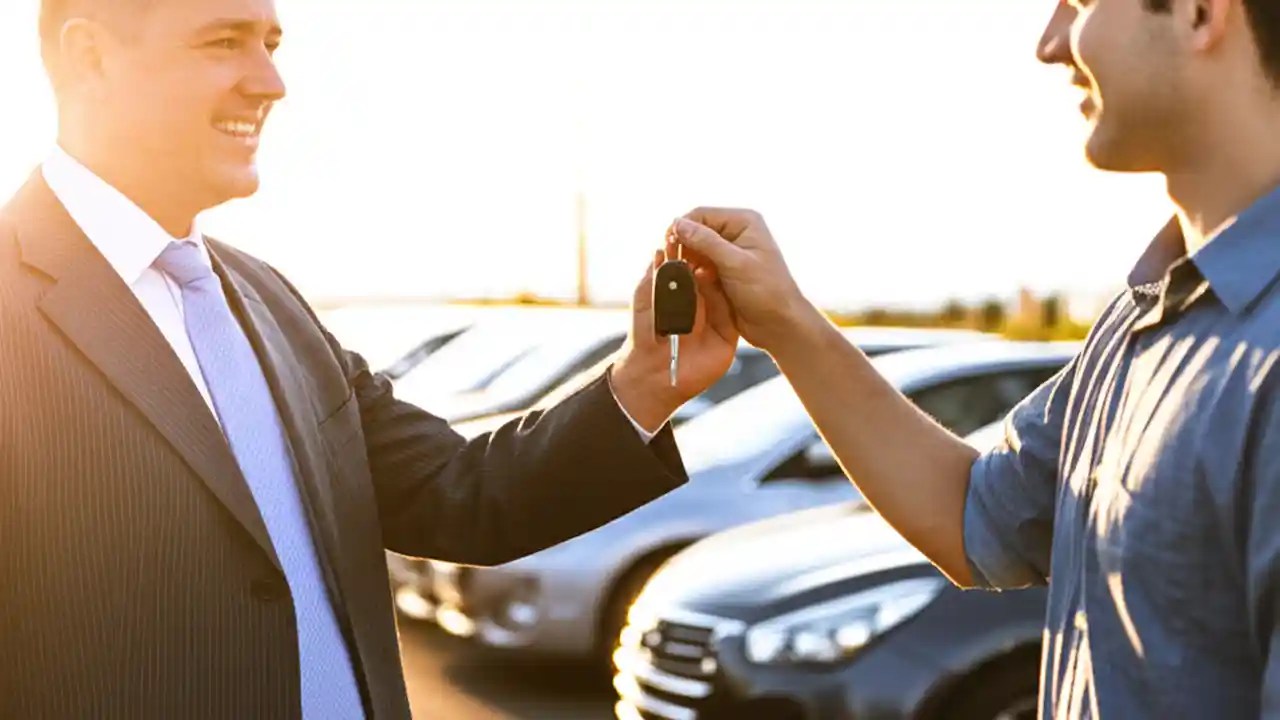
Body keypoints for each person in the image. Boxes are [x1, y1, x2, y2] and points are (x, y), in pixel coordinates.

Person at [0, 0, 739, 718]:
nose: (270, 82)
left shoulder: (269, 301)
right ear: (90, 56)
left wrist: (644, 380)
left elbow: (459, 493)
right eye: (224, 41)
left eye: (272, 44)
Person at [671, 0, 1280, 717]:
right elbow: (972, 513)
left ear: (1200, 12)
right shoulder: (1144, 315)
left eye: (1079, 5)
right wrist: (787, 324)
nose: (1050, 45)